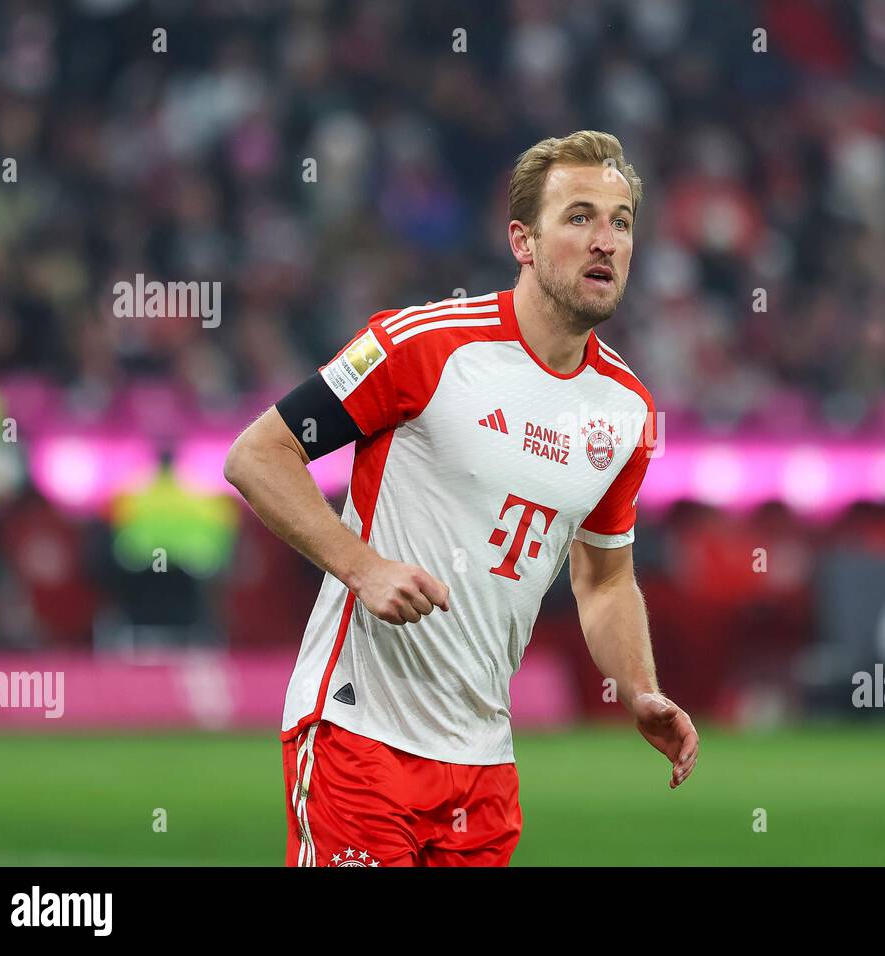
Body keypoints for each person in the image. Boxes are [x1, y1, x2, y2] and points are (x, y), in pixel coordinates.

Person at [224, 130, 699, 867]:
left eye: (621, 221)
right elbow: (258, 455)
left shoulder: (628, 413)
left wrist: (638, 688)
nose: (605, 240)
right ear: (523, 240)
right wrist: (363, 566)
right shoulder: (425, 346)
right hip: (361, 734)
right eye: (578, 217)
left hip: (484, 764)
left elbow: (604, 578)